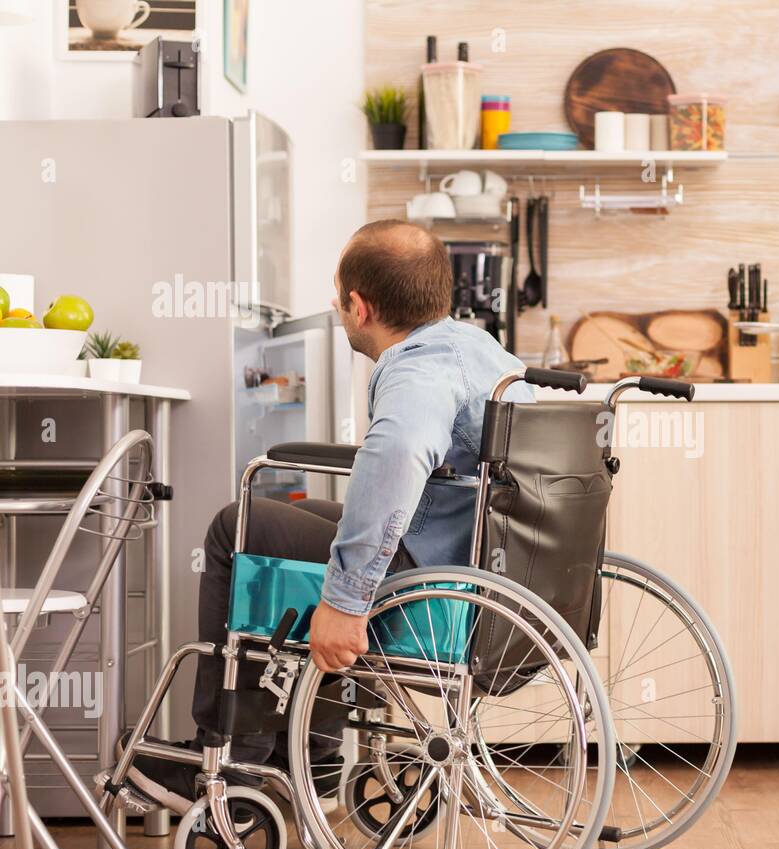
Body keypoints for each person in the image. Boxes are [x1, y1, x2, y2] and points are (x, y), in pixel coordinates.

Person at [117, 220, 530, 813]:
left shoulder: (417, 373)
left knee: (239, 527)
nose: (337, 310)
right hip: (474, 559)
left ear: (359, 307)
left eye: (339, 298)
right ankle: (312, 748)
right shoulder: (478, 348)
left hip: (434, 585)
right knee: (303, 516)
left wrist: (346, 600)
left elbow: (396, 455)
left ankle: (233, 760)